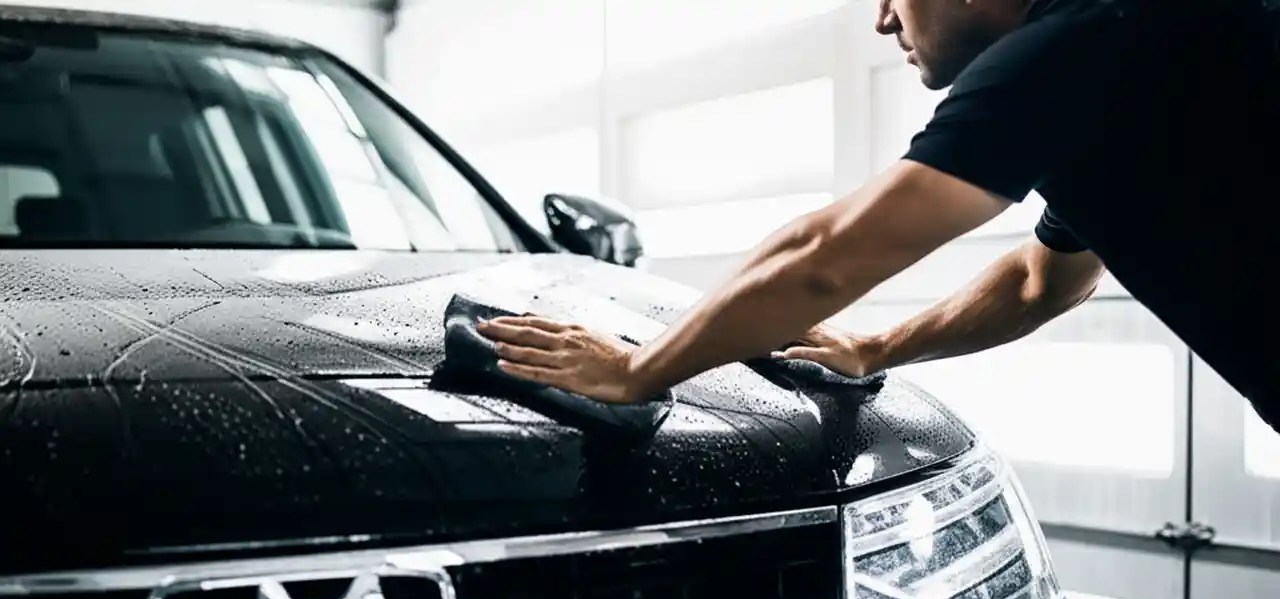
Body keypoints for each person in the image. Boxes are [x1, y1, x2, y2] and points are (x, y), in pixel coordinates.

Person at [479, 0, 1280, 434]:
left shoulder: (1076, 43)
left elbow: (826, 252)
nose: (883, 19)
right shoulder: (1122, 58)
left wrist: (638, 368)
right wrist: (874, 347)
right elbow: (1043, 282)